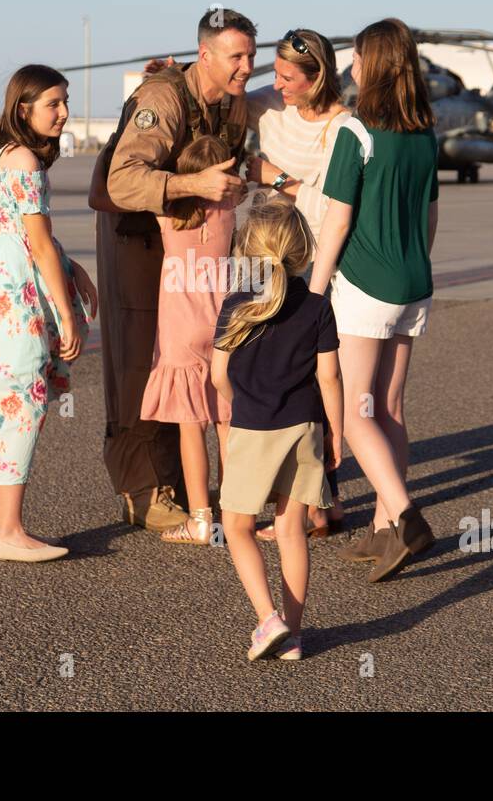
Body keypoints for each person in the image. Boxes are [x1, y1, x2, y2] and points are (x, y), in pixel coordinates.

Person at [146, 28, 351, 540]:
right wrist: (173, 80)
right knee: (284, 381)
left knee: (302, 378)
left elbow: (332, 206)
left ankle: (311, 502)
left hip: (314, 257)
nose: (274, 85)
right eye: (273, 74)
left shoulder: (343, 127)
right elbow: (218, 98)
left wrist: (278, 182)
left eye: (287, 78)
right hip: (264, 264)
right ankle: (295, 504)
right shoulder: (266, 104)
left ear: (316, 77)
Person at [88, 8, 252, 531]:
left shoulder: (232, 105)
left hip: (194, 250)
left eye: (252, 55)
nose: (248, 66)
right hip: (138, 237)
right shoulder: (161, 98)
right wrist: (194, 186)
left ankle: (200, 486)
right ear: (206, 55)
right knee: (143, 364)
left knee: (206, 371)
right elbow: (121, 183)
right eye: (237, 56)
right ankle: (144, 486)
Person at [309, 18, 439, 583]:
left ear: (375, 63)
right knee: (391, 408)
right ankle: (384, 529)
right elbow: (431, 215)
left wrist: (315, 292)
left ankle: (407, 518)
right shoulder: (424, 132)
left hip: (365, 284)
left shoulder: (355, 131)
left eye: (357, 56)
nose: (351, 65)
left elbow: (336, 221)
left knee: (357, 412)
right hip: (415, 282)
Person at [0, 64, 97, 562]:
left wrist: (71, 266)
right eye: (53, 103)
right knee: (22, 394)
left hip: (4, 272)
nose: (64, 113)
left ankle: (3, 528)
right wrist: (68, 314)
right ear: (23, 109)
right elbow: (35, 239)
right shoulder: (27, 163)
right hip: (18, 282)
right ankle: (7, 531)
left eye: (65, 102)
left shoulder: (9, 156)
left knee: (8, 388)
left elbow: (25, 233)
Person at [212, 196, 343, 660]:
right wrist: (336, 434)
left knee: (238, 525)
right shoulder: (316, 307)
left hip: (253, 427)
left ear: (247, 251)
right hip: (305, 427)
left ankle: (268, 619)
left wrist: (241, 404)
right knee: (291, 531)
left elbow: (217, 377)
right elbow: (329, 377)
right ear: (303, 250)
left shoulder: (236, 305)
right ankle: (295, 635)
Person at [140, 135, 237, 545]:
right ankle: (234, 514)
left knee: (191, 426)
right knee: (227, 422)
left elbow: (142, 182)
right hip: (224, 325)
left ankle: (200, 519)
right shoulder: (230, 210)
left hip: (181, 327)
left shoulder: (167, 213)